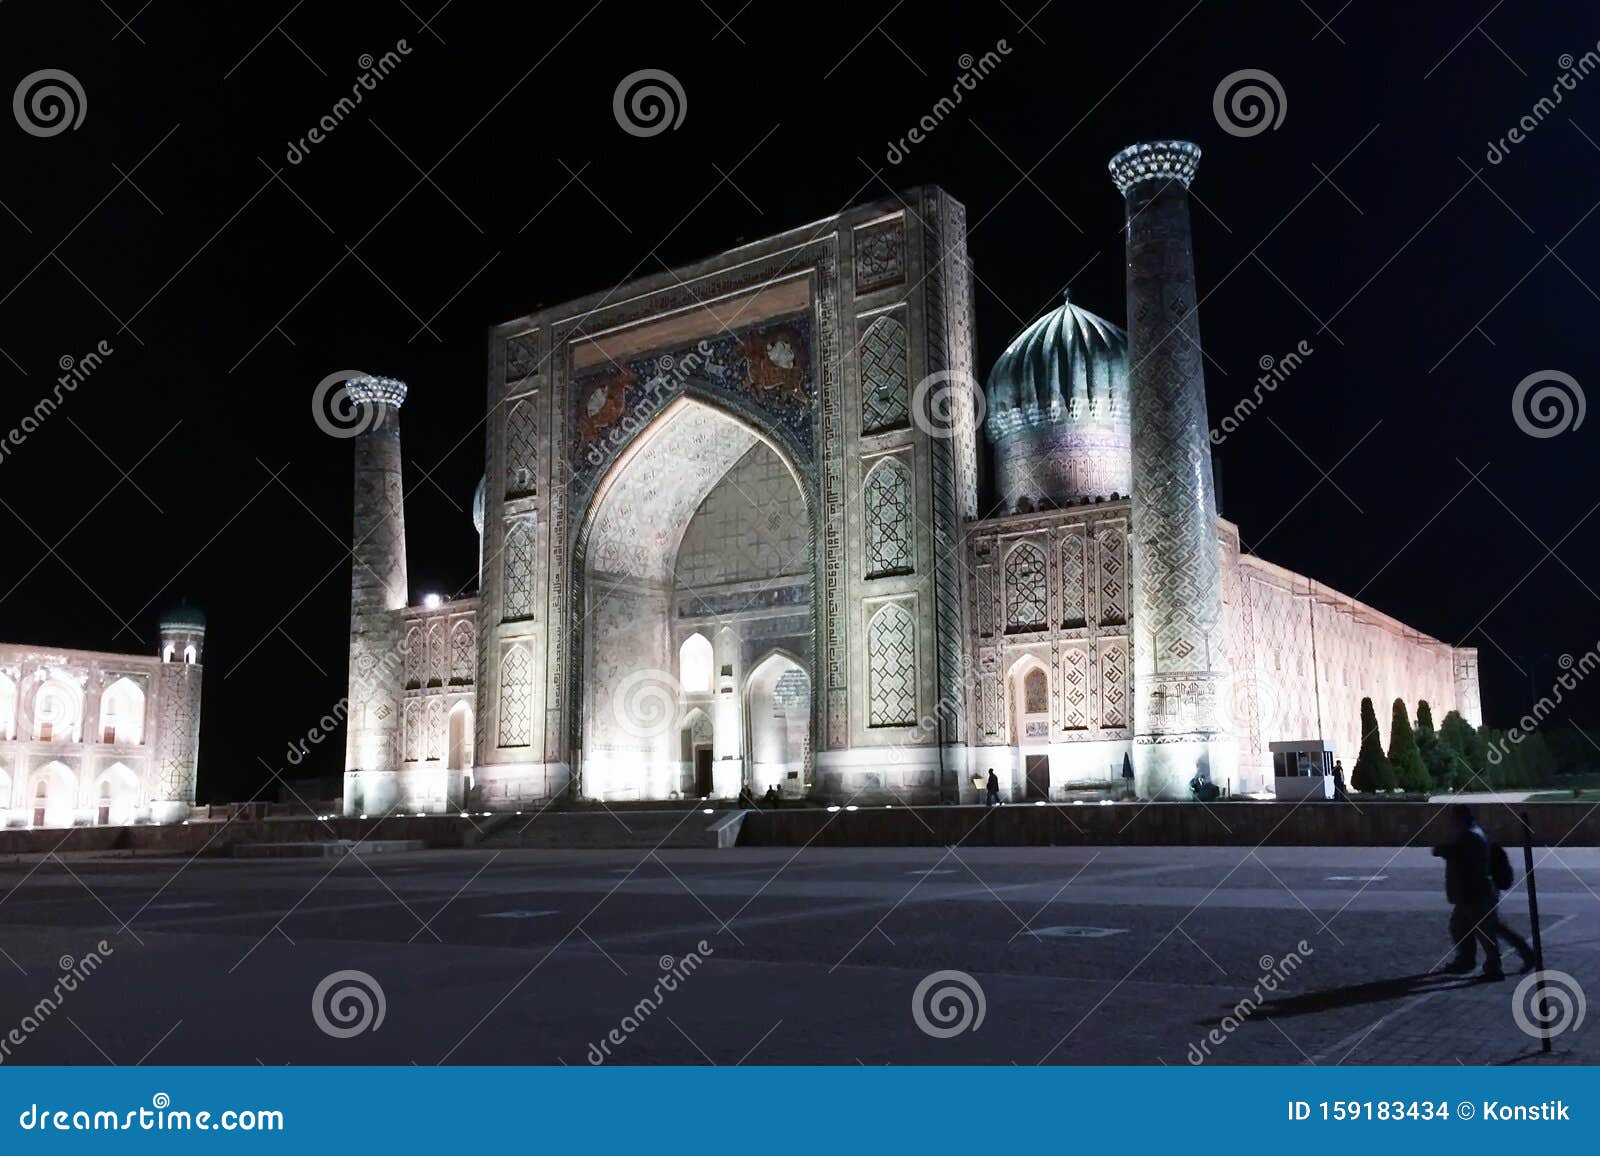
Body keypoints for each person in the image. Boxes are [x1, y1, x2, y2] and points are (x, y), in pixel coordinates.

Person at [1432, 804, 1534, 980]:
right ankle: (1467, 960)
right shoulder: (1474, 832)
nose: (1451, 822)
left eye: (1454, 818)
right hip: (1472, 895)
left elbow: (1455, 854)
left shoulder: (1470, 837)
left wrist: (1443, 849)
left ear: (1461, 818)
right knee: (1463, 927)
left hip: (1476, 894)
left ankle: (1494, 968)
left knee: (1486, 932)